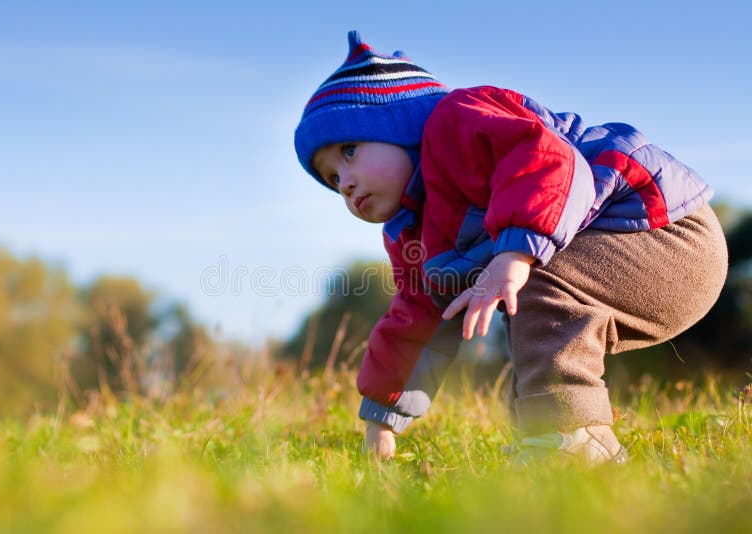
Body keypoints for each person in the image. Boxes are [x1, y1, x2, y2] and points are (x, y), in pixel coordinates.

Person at [293, 31, 728, 463]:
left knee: (534, 281)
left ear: (400, 125)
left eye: (349, 151)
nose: (344, 183)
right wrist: (381, 419)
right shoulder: (412, 234)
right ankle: (544, 438)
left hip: (666, 234)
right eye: (331, 179)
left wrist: (513, 254)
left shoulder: (455, 122)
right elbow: (417, 321)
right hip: (613, 261)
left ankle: (573, 439)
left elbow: (549, 160)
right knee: (527, 311)